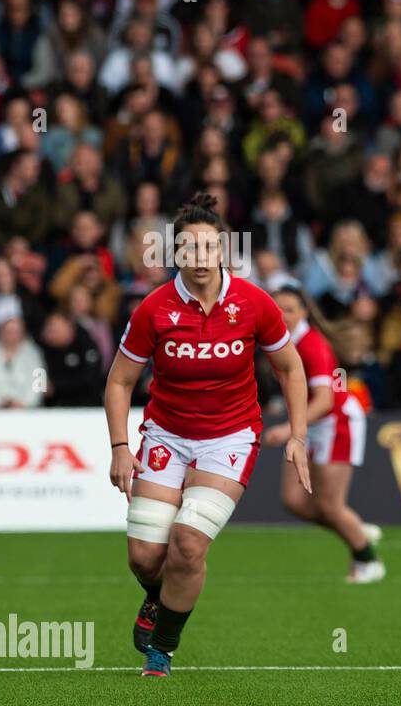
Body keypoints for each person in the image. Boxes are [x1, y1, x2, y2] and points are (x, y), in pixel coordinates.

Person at [104, 193, 312, 678]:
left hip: (231, 438)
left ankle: (162, 650)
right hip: (166, 435)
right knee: (144, 557)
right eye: (189, 250)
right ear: (175, 254)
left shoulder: (254, 303)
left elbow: (290, 369)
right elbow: (119, 381)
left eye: (209, 249)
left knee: (188, 546)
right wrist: (119, 447)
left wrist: (298, 436)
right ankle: (156, 599)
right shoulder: (153, 310)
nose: (200, 259)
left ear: (224, 252)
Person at [263, 286, 384, 584]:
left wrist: (289, 429)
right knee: (293, 500)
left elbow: (325, 400)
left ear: (304, 312)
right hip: (313, 422)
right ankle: (352, 527)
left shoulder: (311, 345)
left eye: (290, 309)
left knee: (329, 505)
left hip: (336, 421)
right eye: (277, 309)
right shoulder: (282, 341)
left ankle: (367, 560)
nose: (283, 315)